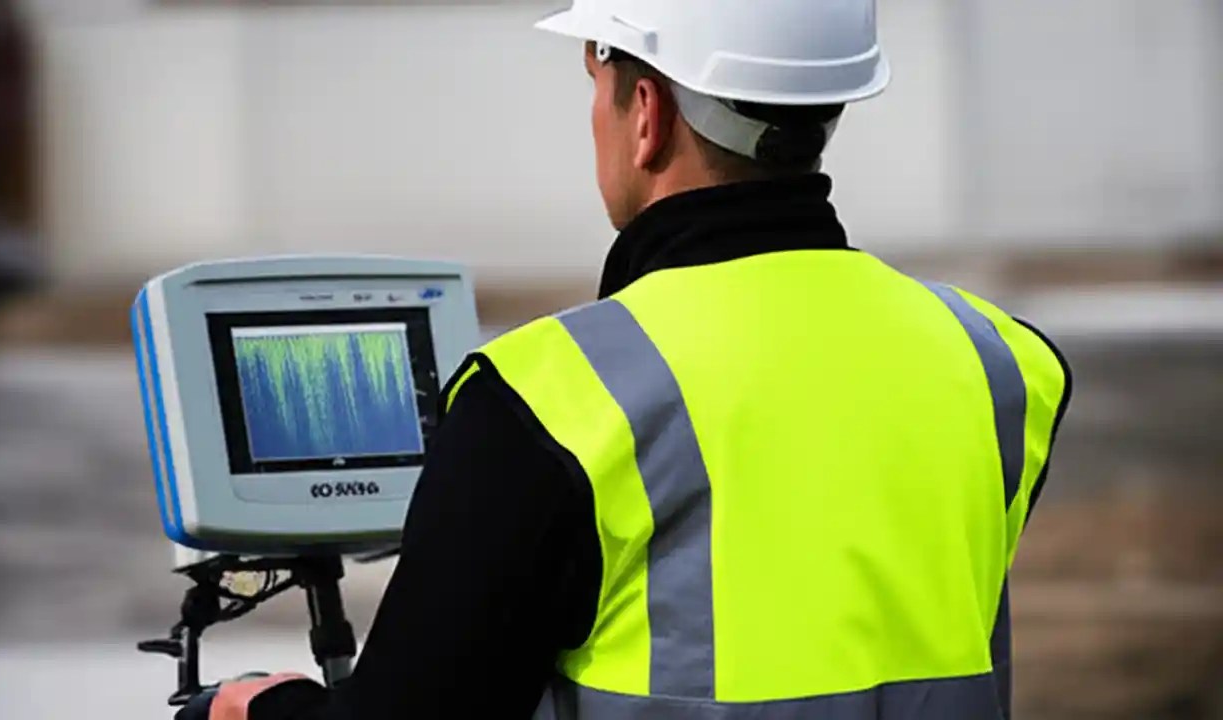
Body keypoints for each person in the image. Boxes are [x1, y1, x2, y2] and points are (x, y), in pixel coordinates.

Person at [205, 1, 1072, 718]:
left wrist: (261, 709)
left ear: (647, 113)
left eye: (597, 79)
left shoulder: (551, 401)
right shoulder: (998, 361)